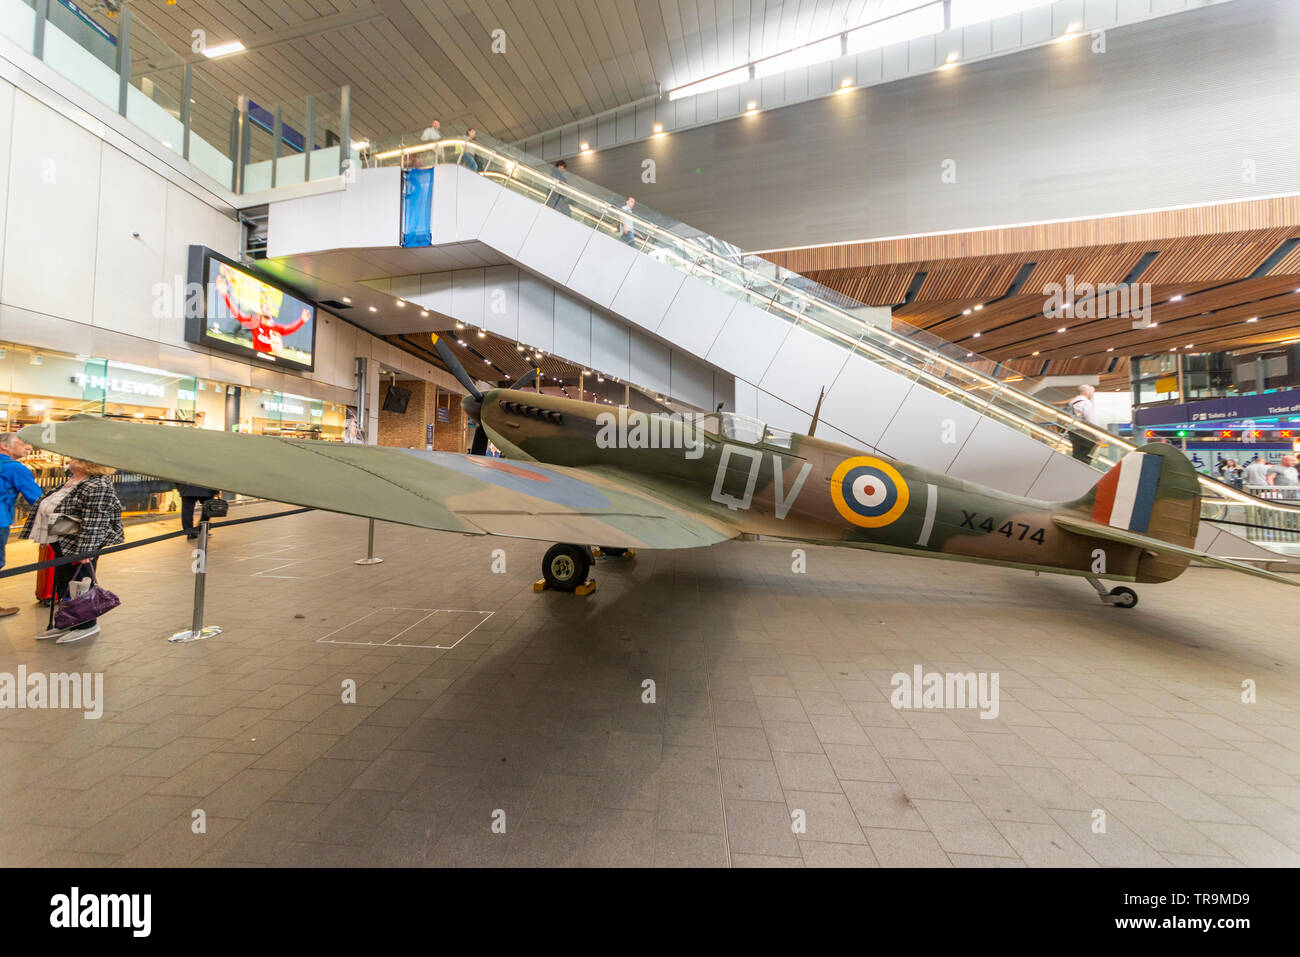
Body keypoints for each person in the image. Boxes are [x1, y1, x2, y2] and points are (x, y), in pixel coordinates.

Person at [22, 459, 124, 643]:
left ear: (88, 463)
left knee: (80, 582)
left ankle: (86, 624)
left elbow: (95, 521)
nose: (70, 460)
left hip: (78, 543)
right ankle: (69, 620)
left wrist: (86, 551)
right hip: (61, 540)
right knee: (64, 581)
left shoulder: (97, 485)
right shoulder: (74, 480)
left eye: (75, 458)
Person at [0, 433, 44, 618]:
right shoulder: (15, 468)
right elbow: (37, 499)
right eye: (23, 443)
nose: (28, 448)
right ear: (5, 446)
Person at [1065, 384, 1100, 463]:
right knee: (1085, 458)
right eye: (1092, 393)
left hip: (1073, 432)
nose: (1092, 395)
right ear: (1087, 393)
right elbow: (1090, 420)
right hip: (1085, 434)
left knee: (1077, 455)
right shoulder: (1086, 403)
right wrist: (1098, 435)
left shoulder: (1072, 402)